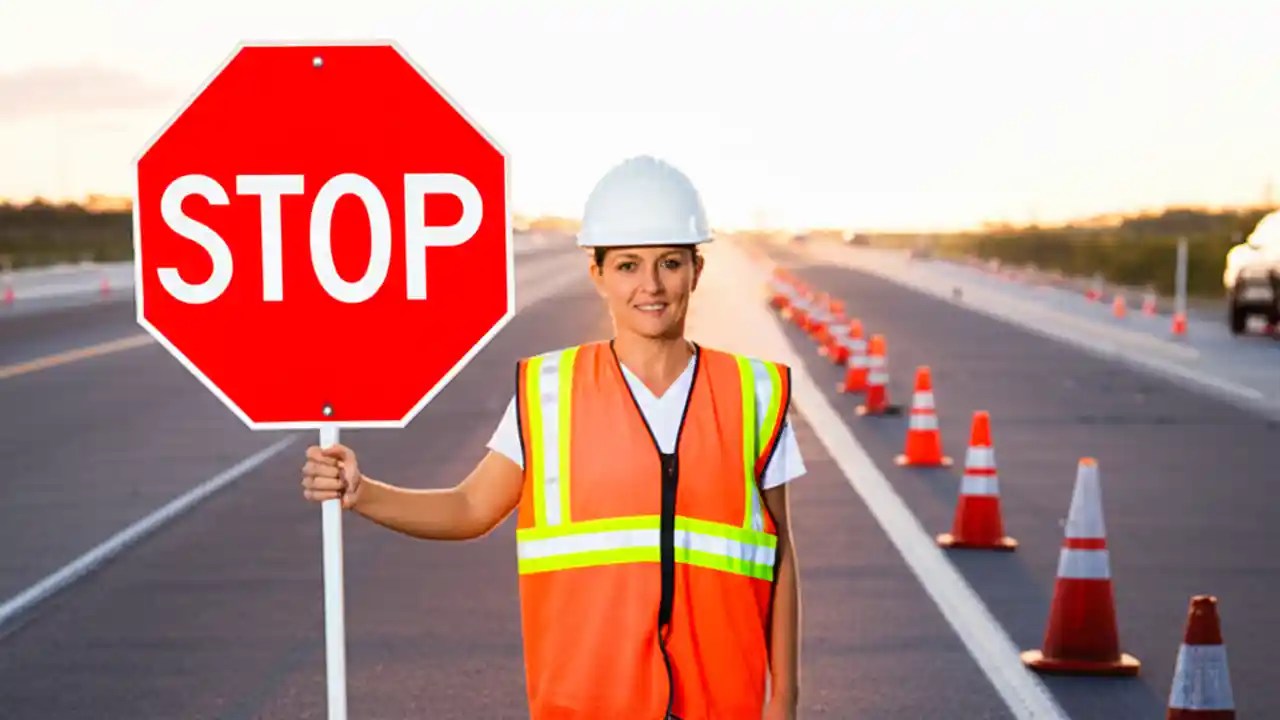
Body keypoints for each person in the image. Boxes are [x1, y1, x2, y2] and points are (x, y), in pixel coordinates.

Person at [300, 155, 806, 719]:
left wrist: (782, 700)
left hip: (723, 703)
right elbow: (471, 506)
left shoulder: (753, 394)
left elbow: (779, 556)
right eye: (628, 266)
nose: (651, 285)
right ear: (598, 275)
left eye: (669, 262)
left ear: (697, 269)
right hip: (587, 704)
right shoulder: (548, 392)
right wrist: (361, 490)